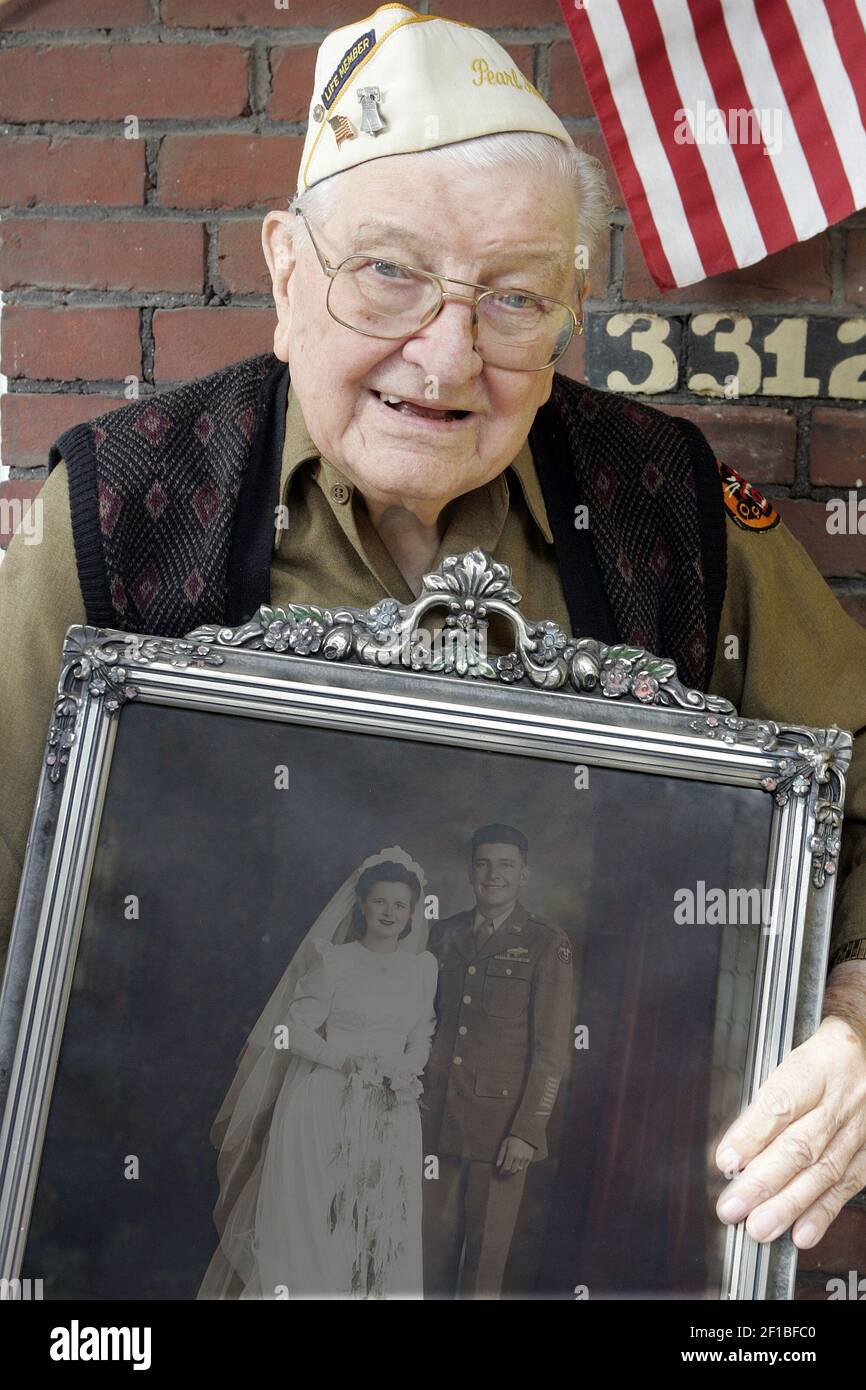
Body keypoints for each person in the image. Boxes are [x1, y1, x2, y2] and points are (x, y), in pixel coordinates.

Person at [1, 3, 865, 1254]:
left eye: (512, 298)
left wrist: (853, 1018)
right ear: (285, 269)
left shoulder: (672, 510)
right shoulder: (117, 508)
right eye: (387, 272)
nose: (447, 355)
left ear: (569, 307)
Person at [197, 848, 437, 1299]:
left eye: (400, 905)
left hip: (391, 1110)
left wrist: (403, 1069)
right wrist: (343, 1061)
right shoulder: (335, 961)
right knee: (320, 1219)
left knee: (380, 1223)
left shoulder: (422, 970)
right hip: (325, 1103)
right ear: (362, 904)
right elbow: (292, 1030)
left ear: (411, 914)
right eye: (380, 901)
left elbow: (422, 1034)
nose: (389, 912)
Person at [422, 824, 573, 1298]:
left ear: (523, 874)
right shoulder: (441, 934)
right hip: (435, 1117)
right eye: (484, 864)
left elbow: (552, 1051)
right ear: (471, 872)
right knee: (428, 1252)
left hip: (502, 1128)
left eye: (506, 865)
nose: (494, 875)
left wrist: (528, 1130)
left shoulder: (546, 943)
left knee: (484, 1263)